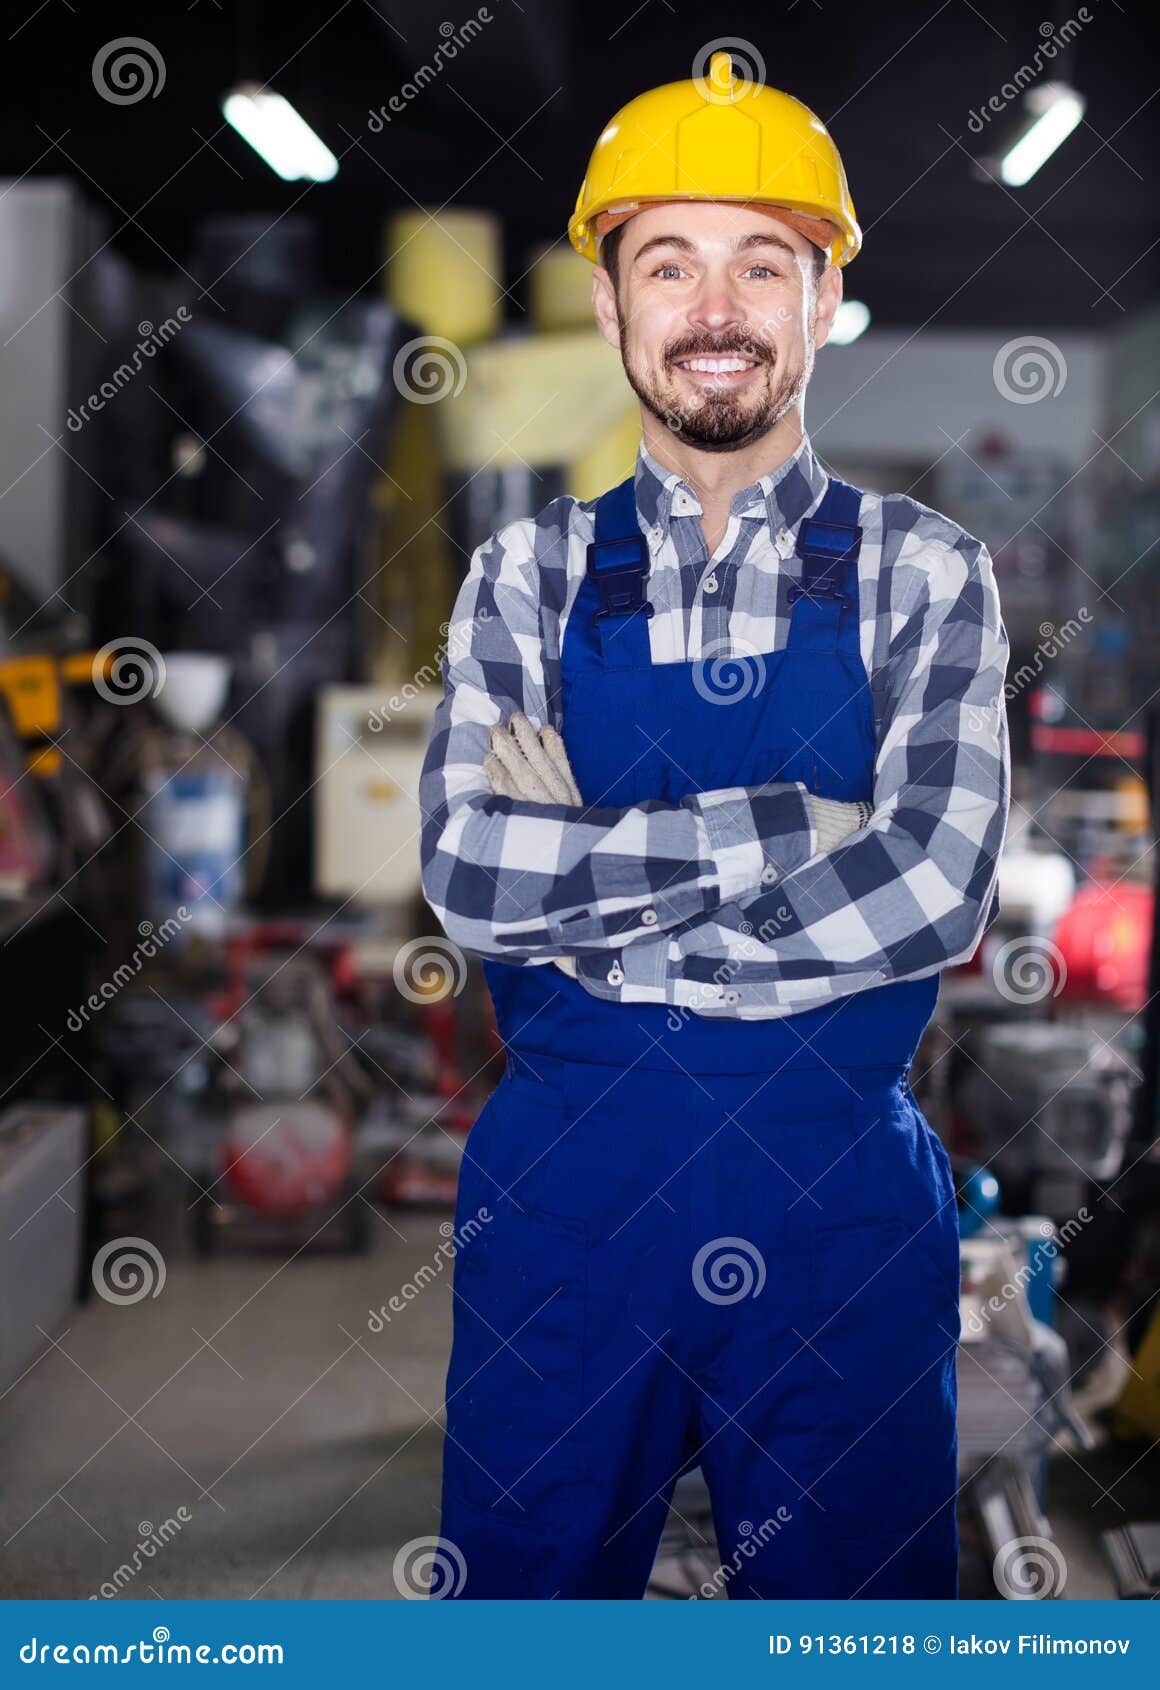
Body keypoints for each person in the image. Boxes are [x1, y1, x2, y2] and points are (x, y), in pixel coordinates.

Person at [419, 52, 1010, 1599]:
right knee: (526, 1622)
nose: (717, 306)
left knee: (853, 1628)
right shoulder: (523, 579)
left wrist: (605, 889)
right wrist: (808, 824)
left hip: (837, 1212)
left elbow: (938, 886)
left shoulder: (925, 571)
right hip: (568, 1205)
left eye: (767, 261)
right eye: (666, 263)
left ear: (823, 301)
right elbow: (474, 871)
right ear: (611, 306)